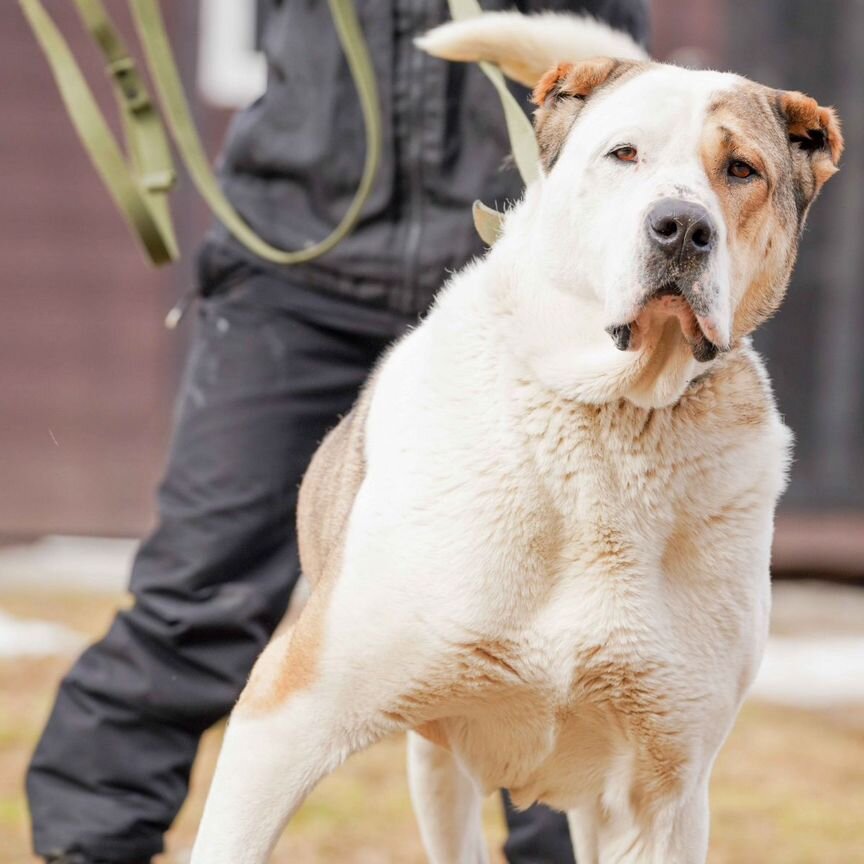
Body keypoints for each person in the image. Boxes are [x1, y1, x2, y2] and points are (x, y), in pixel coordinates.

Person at [26, 2, 650, 862]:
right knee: (200, 592)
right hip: (293, 260)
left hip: (523, 272)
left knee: (573, 625)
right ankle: (89, 847)